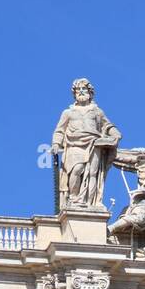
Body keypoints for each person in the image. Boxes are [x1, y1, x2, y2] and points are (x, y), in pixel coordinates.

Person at [51, 79, 120, 209]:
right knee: (76, 169)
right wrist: (56, 143)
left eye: (84, 89)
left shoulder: (97, 111)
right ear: (74, 93)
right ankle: (74, 198)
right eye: (78, 90)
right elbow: (59, 130)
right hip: (74, 143)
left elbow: (108, 125)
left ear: (90, 92)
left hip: (95, 143)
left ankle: (91, 203)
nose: (81, 92)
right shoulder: (68, 112)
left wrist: (115, 133)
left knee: (93, 173)